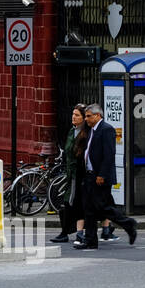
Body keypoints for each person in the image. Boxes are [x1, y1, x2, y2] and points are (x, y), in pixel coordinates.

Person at [73, 104, 138, 249]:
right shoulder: (90, 130)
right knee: (89, 209)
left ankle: (128, 223)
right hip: (89, 175)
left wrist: (102, 174)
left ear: (98, 116)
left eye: (89, 116)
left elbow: (109, 154)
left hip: (100, 176)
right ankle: (90, 240)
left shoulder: (106, 129)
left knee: (103, 207)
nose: (87, 119)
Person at [50, 103, 88, 244]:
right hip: (70, 173)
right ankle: (67, 232)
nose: (73, 117)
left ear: (84, 118)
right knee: (68, 202)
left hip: (79, 174)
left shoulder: (86, 134)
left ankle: (75, 232)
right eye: (73, 114)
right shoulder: (72, 131)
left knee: (71, 202)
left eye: (77, 115)